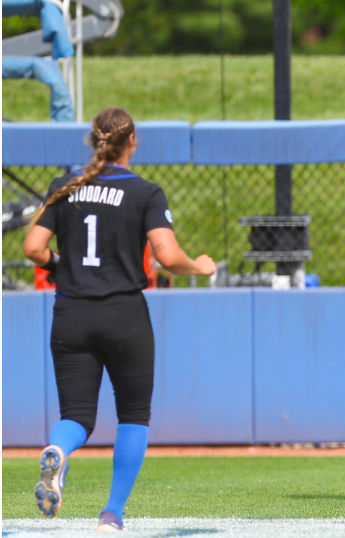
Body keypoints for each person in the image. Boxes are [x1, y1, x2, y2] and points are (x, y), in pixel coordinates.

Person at [23, 107, 217, 531]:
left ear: (93, 141)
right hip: (123, 315)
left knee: (77, 416)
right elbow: (167, 256)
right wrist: (200, 267)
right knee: (133, 415)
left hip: (71, 313)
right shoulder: (145, 191)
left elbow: (33, 248)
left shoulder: (64, 186)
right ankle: (111, 513)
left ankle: (59, 449)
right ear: (132, 141)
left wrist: (63, 264)